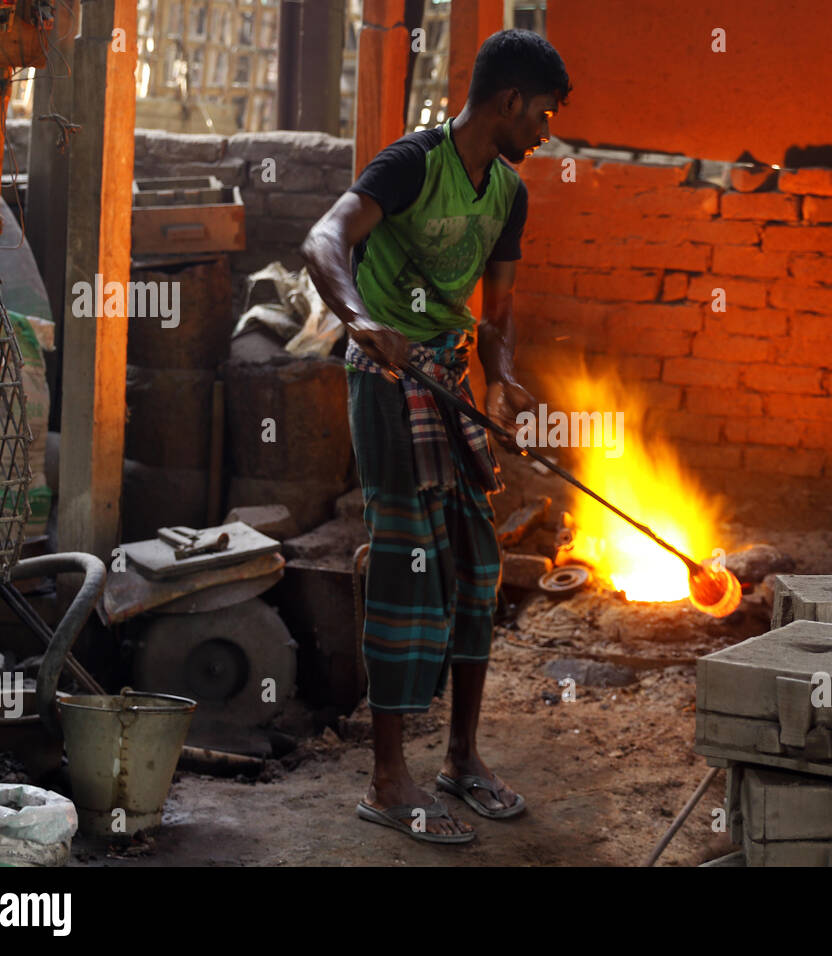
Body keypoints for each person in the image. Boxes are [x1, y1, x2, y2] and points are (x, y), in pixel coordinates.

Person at [301, 29, 571, 843]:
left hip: (449, 378)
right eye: (544, 112)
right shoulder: (412, 164)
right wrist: (359, 320)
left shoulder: (510, 195)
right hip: (388, 379)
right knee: (406, 564)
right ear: (509, 101)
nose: (546, 130)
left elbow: (499, 308)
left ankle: (460, 759)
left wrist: (506, 369)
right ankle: (388, 779)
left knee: (476, 564)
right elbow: (323, 239)